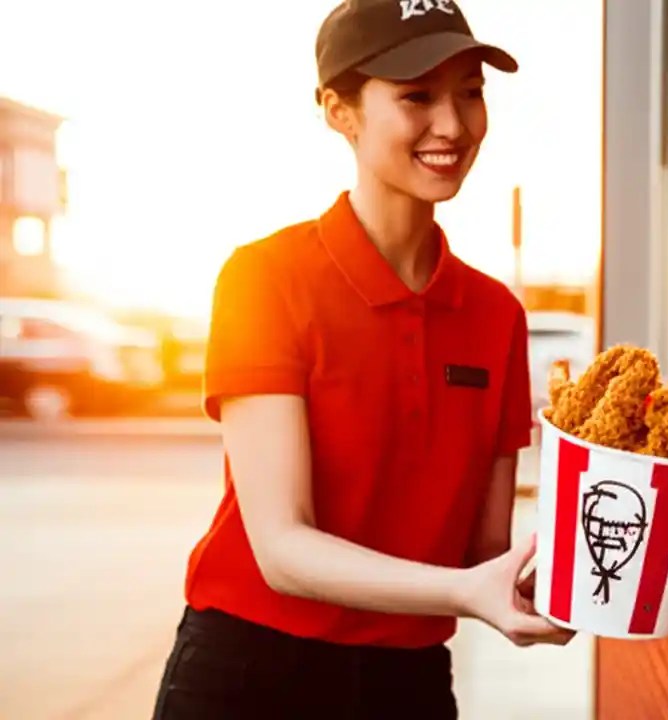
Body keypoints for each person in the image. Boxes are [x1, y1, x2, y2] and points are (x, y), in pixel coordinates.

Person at [151, 1, 570, 717]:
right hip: (249, 676)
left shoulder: (496, 316)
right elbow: (283, 549)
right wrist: (467, 591)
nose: (453, 124)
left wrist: (602, 560)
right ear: (338, 110)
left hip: (405, 685)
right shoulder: (265, 279)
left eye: (470, 92)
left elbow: (482, 553)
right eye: (417, 96)